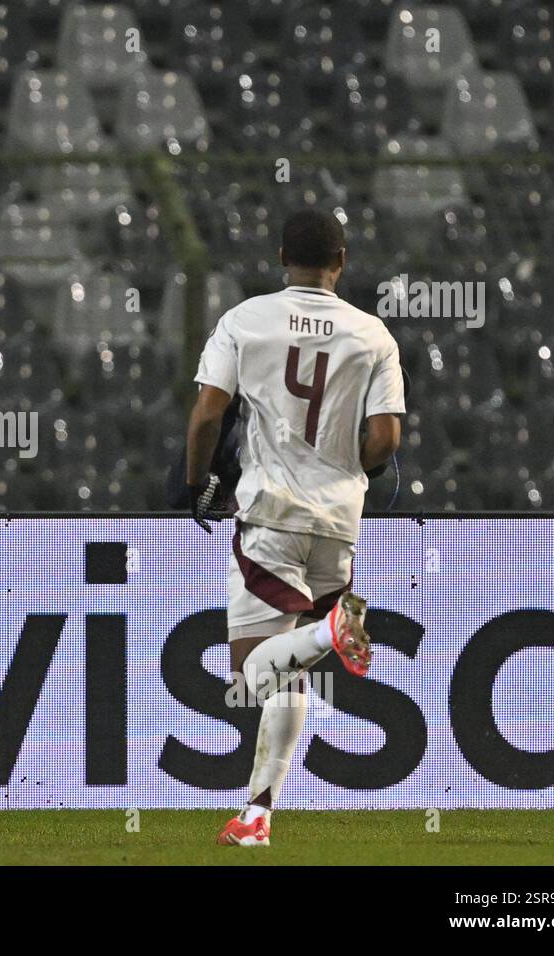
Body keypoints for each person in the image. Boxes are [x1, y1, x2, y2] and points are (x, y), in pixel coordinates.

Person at [186, 209, 404, 845]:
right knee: (289, 670)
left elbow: (206, 417)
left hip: (272, 513)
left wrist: (201, 483)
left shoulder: (244, 321)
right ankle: (259, 814)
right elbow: (386, 437)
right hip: (339, 519)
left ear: (282, 255)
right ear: (341, 260)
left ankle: (338, 628)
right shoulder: (373, 335)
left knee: (255, 673)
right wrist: (347, 467)